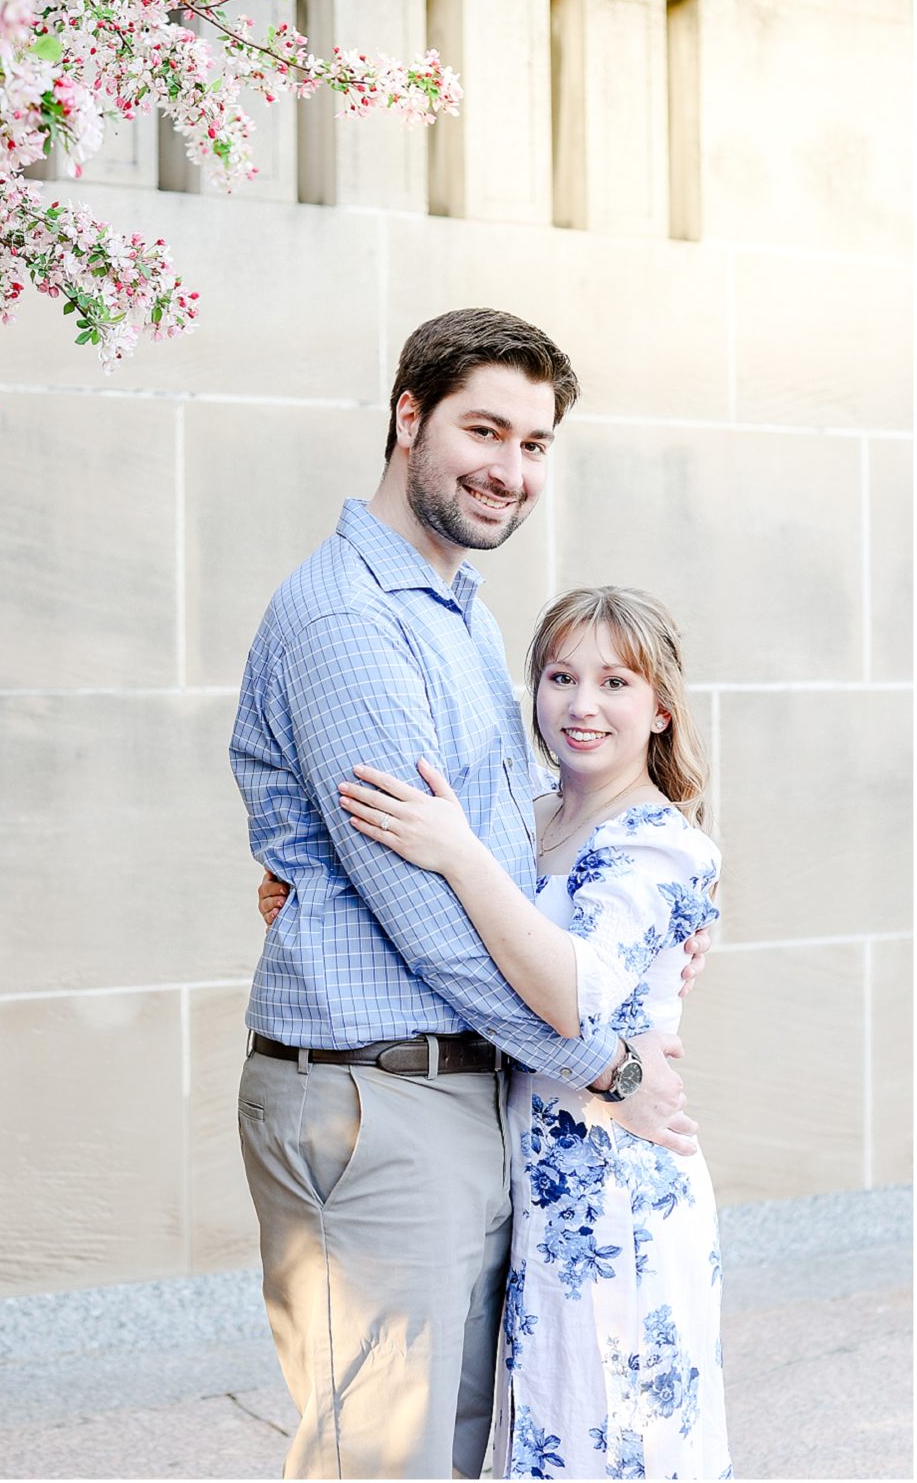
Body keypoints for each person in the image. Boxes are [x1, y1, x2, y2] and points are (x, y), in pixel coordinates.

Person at [229, 308, 708, 1481]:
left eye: (535, 443)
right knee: (376, 1459)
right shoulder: (353, 620)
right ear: (407, 419)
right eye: (483, 430)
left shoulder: (450, 608)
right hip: (379, 1097)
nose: (510, 468)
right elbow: (434, 924)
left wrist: (642, 946)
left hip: (459, 1093)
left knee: (441, 1452)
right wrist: (608, 1059)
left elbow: (499, 848)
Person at [335, 586, 731, 1480]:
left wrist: (456, 851)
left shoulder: (658, 844)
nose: (581, 705)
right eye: (560, 677)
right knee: (549, 1423)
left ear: (660, 708)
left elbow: (574, 997)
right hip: (529, 1168)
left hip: (613, 1183)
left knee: (611, 1434)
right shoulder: (531, 817)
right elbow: (453, 940)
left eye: (614, 682)